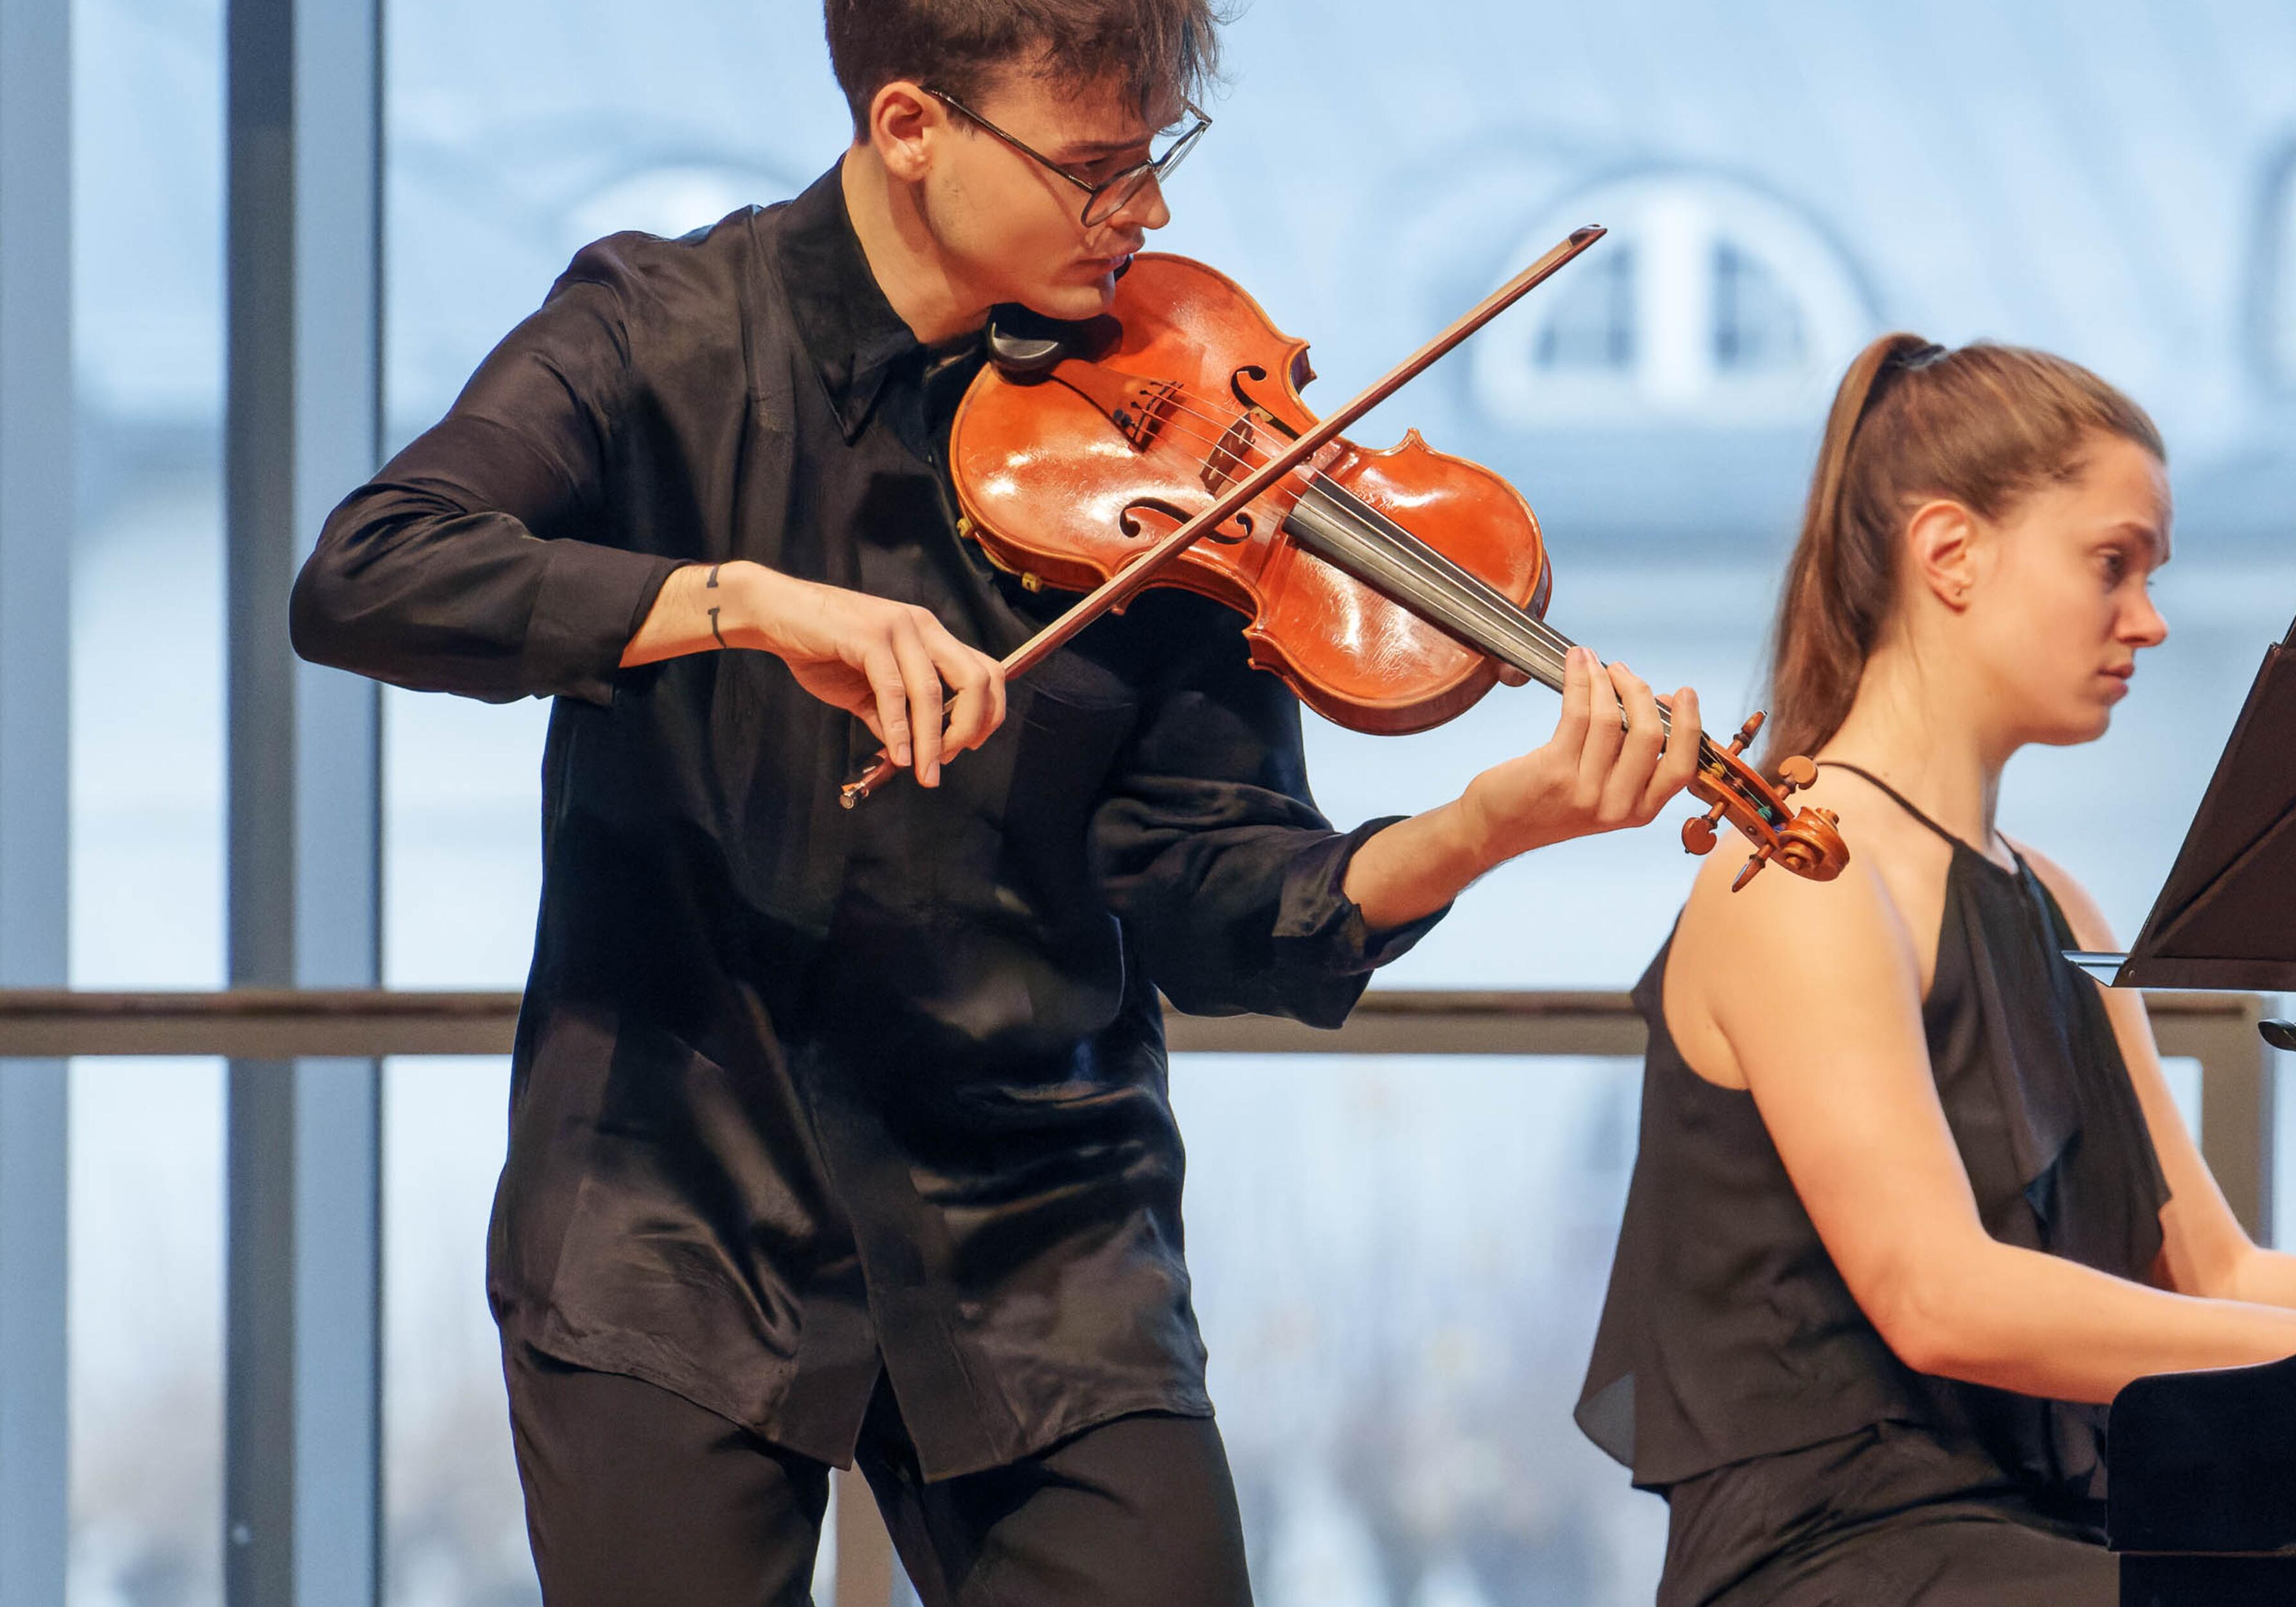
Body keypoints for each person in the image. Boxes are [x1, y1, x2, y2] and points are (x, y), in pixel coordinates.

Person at [291, 2, 1708, 1601]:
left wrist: (1488, 825)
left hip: (1047, 1230)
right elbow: (367, 573)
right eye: (1095, 169)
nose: (1144, 211)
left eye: (1158, 155)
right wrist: (738, 601)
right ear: (911, 127)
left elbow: (1216, 896)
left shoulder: (1181, 417)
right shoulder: (657, 330)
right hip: (675, 1207)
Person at [1577, 334, 2296, 1606]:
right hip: (1833, 1559)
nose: (2149, 620)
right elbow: (1937, 1297)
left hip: (2034, 1542)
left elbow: (2216, 1270)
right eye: (2112, 563)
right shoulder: (1806, 872)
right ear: (1950, 553)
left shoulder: (2057, 902)